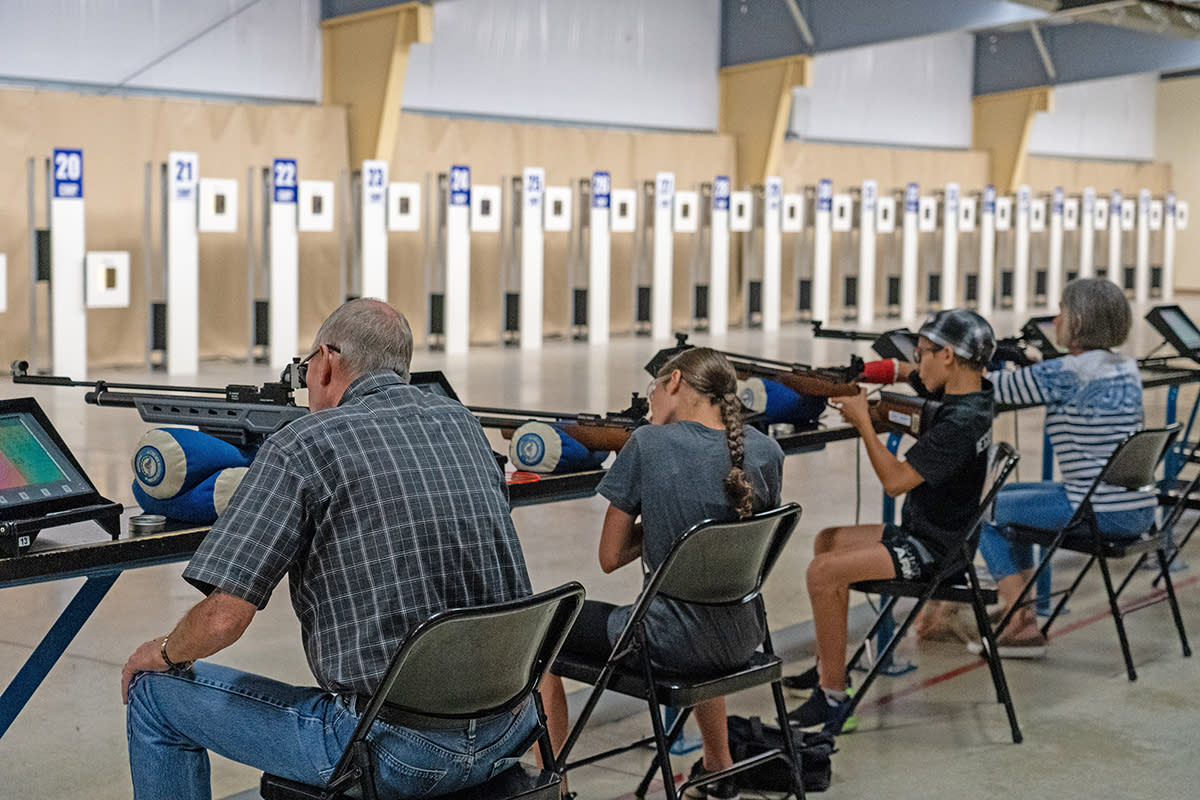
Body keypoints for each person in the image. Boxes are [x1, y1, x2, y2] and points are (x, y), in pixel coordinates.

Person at [122, 298, 536, 800]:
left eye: (305, 371)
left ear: (325, 362)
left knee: (154, 693)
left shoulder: (303, 444)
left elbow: (223, 618)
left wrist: (162, 651)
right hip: (508, 730)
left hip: (393, 752)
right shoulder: (462, 424)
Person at [539, 347, 785, 800]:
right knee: (704, 603)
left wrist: (663, 521)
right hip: (742, 637)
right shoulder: (767, 451)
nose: (649, 399)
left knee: (542, 633)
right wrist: (678, 523)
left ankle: (553, 791)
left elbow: (610, 556)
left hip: (669, 644)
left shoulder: (649, 444)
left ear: (674, 382)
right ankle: (719, 768)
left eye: (653, 387)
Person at [787, 309, 996, 731]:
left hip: (936, 551)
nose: (916, 364)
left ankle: (833, 699)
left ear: (948, 356)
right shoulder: (972, 394)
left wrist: (864, 421)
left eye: (923, 353)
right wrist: (857, 374)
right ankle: (830, 667)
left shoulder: (961, 423)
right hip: (933, 531)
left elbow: (896, 482)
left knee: (822, 573)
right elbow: (902, 372)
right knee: (828, 541)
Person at [966, 278, 1152, 658]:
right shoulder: (1126, 367)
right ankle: (1025, 607)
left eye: (1063, 312)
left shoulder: (1066, 373)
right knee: (1002, 501)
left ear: (1080, 320)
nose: (1055, 320)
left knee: (977, 508)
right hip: (1136, 508)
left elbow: (984, 387)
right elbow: (1063, 379)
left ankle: (1020, 619)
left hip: (1097, 510)